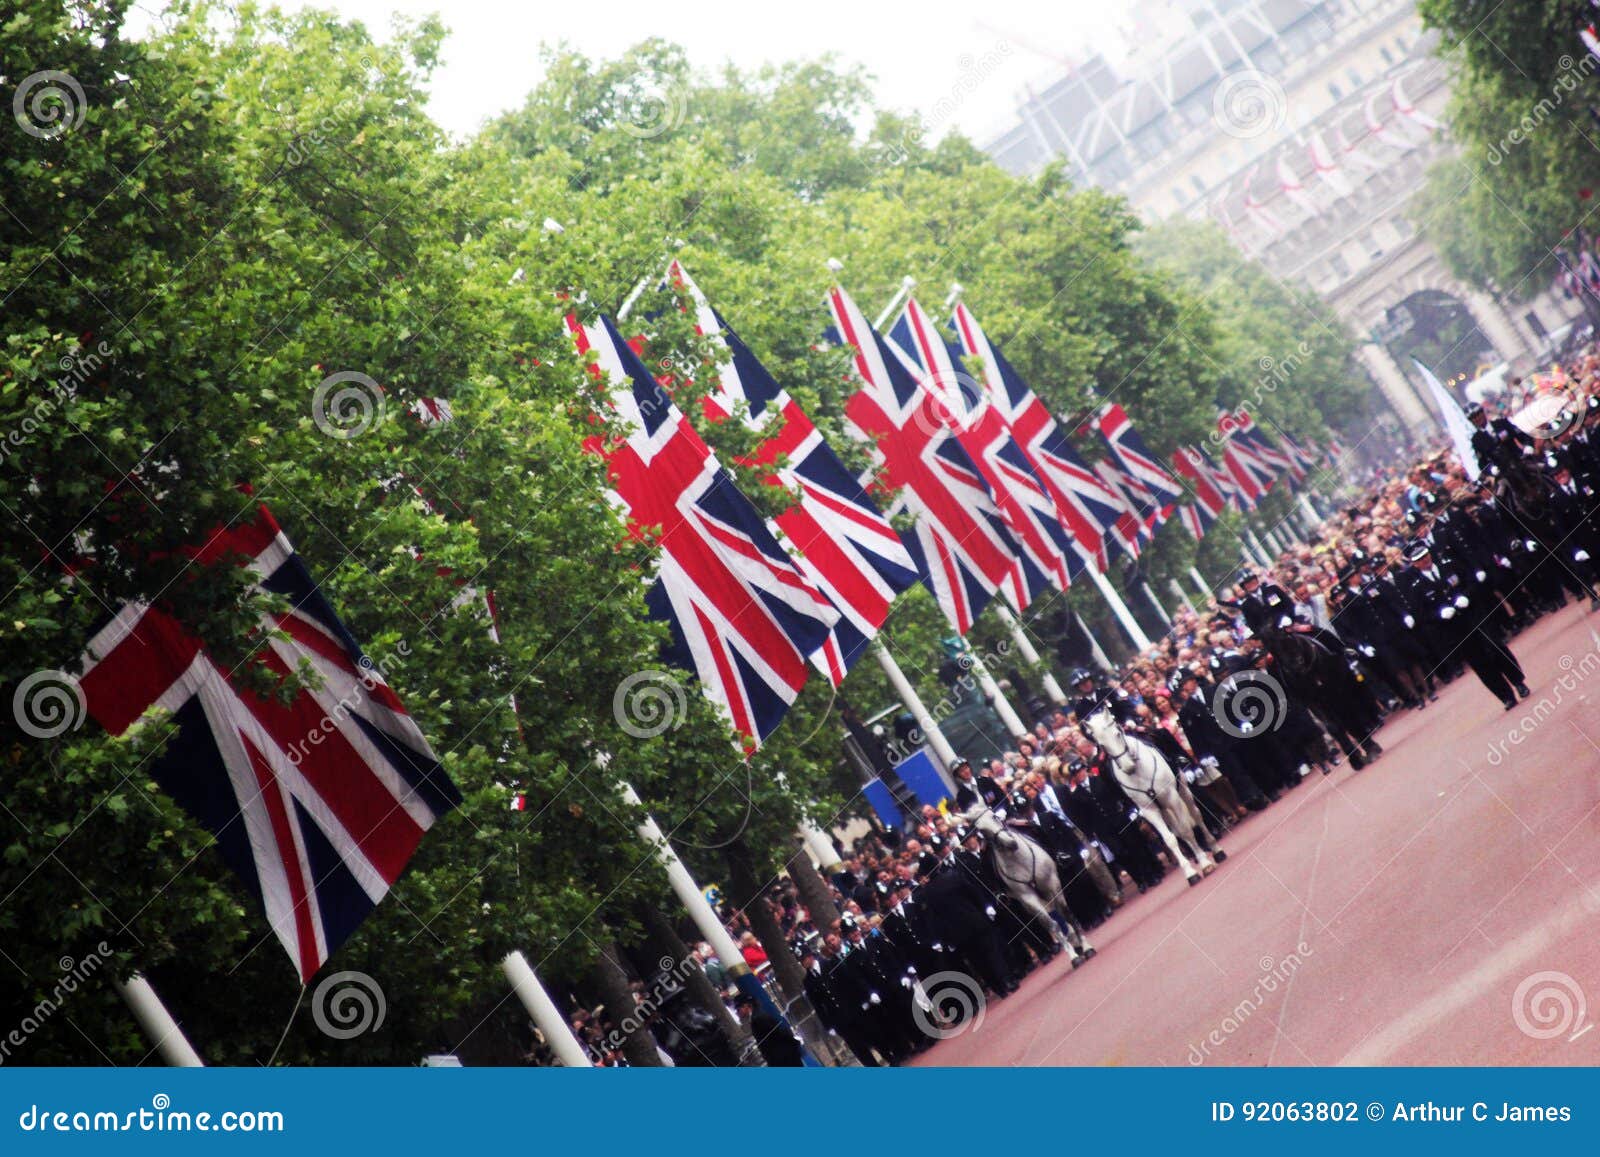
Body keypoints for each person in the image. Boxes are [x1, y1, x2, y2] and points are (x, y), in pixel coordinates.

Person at [1396, 542, 1529, 709]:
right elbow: (1421, 614)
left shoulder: (1449, 564)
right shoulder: (1415, 587)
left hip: (1474, 616)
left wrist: (1466, 596)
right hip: (1453, 629)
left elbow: (1470, 581)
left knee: (1496, 648)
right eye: (1419, 559)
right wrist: (1438, 614)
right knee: (1480, 664)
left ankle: (1518, 682)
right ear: (1414, 564)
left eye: (1425, 555)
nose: (1425, 560)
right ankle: (1505, 696)